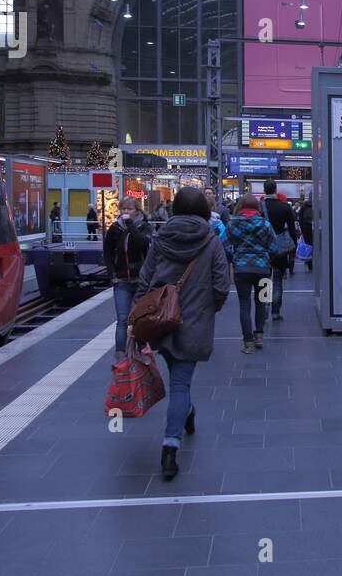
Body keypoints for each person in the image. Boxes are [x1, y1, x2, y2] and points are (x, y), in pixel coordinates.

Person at [133, 187, 230, 480]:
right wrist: (210, 308)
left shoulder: (160, 240)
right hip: (195, 321)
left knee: (177, 377)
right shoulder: (211, 242)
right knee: (180, 384)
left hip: (160, 321)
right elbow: (221, 284)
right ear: (203, 209)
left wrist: (137, 316)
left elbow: (145, 278)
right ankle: (170, 446)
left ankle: (186, 413)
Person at [225, 193, 278, 355]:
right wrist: (267, 257)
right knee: (262, 301)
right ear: (257, 207)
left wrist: (234, 259)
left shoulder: (232, 224)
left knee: (244, 305)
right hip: (263, 269)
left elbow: (225, 245)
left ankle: (248, 342)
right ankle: (260, 335)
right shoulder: (266, 225)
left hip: (241, 269)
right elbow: (275, 248)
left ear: (240, 206)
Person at [103, 196, 152, 362]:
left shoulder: (144, 227)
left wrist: (131, 226)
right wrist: (113, 276)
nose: (125, 212)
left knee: (138, 318)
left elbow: (143, 244)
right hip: (122, 281)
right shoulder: (115, 229)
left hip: (140, 281)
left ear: (137, 211)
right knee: (122, 319)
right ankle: (120, 352)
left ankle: (141, 349)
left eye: (129, 209)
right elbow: (108, 253)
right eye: (123, 209)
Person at [261, 181, 298, 317]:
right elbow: (292, 229)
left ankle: (263, 310)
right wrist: (293, 247)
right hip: (280, 248)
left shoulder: (260, 207)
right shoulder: (284, 207)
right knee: (277, 278)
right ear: (275, 190)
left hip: (264, 247)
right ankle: (275, 312)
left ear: (264, 190)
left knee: (265, 279)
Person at [298, 196, 314, 273]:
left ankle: (309, 263)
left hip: (306, 229)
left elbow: (300, 218)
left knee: (308, 245)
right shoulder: (319, 204)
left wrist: (302, 229)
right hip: (316, 229)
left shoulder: (304, 206)